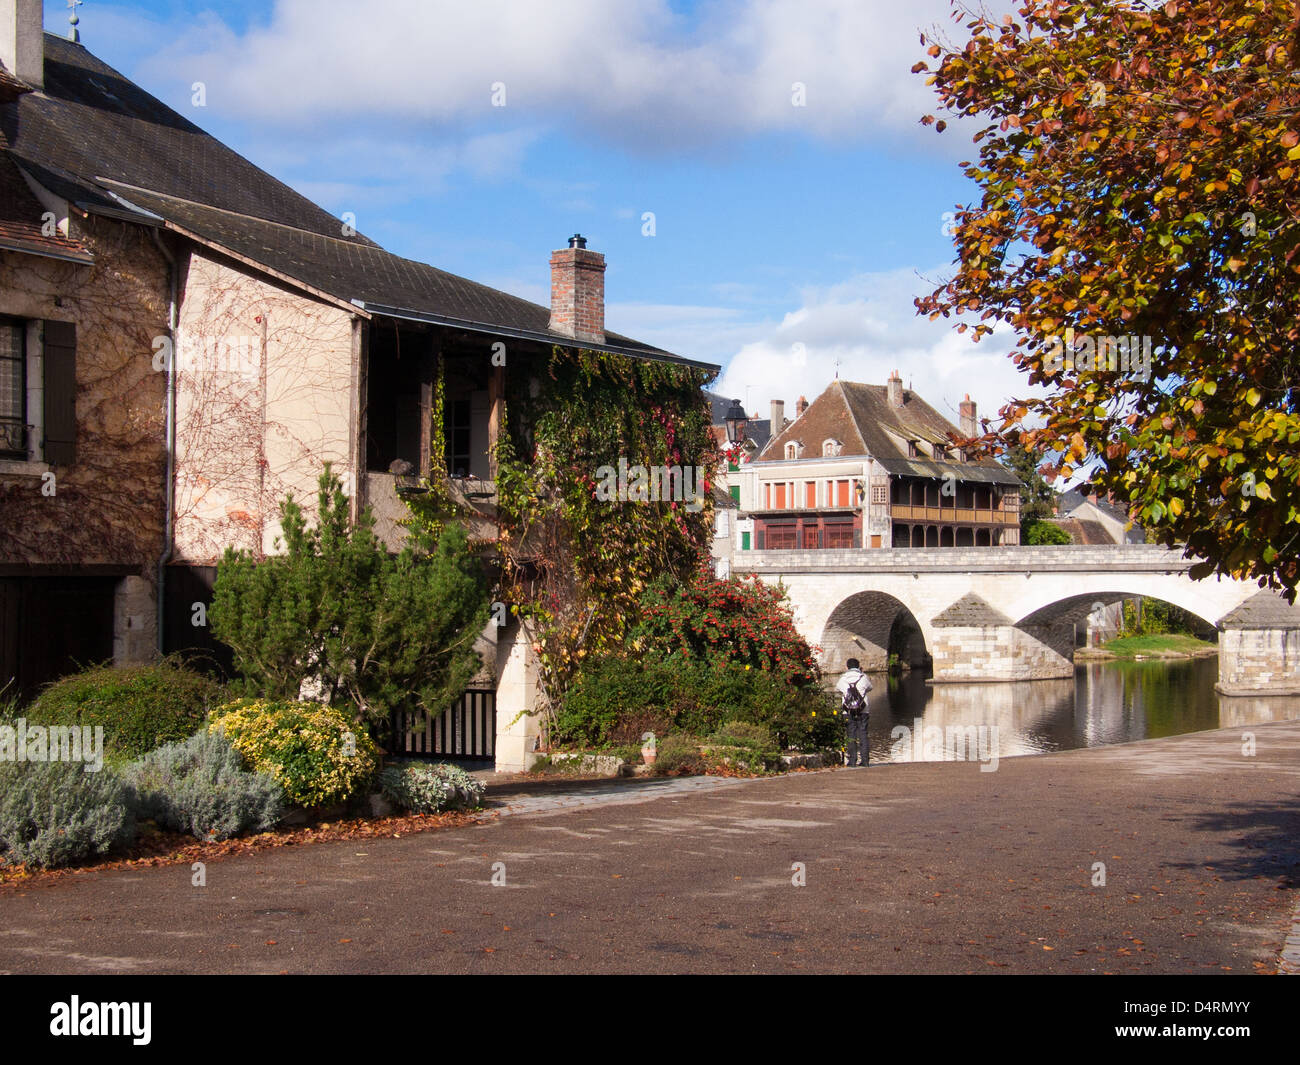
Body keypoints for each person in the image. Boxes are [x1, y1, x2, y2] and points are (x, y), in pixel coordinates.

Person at [835, 658, 872, 767]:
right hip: (863, 709)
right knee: (863, 733)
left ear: (847, 667)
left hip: (848, 710)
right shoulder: (863, 677)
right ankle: (865, 761)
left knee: (850, 734)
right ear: (858, 666)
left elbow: (838, 689)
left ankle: (852, 760)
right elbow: (870, 687)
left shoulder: (843, 678)